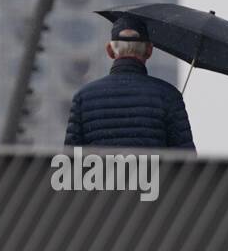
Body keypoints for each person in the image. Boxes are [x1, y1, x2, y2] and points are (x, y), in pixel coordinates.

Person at [64, 15, 195, 151]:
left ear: (110, 50)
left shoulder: (83, 97)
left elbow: (70, 160)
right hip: (153, 173)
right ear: (149, 50)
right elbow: (187, 162)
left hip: (100, 172)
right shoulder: (169, 96)